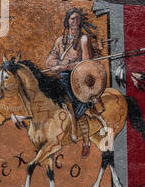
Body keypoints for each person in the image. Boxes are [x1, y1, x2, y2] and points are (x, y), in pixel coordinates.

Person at [42, 8, 102, 146]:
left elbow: (85, 64)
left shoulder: (83, 39)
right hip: (63, 78)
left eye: (77, 18)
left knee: (74, 103)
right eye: (72, 18)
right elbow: (48, 62)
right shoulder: (59, 41)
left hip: (79, 79)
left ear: (80, 21)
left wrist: (64, 66)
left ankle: (81, 136)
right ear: (67, 21)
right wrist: (59, 64)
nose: (75, 21)